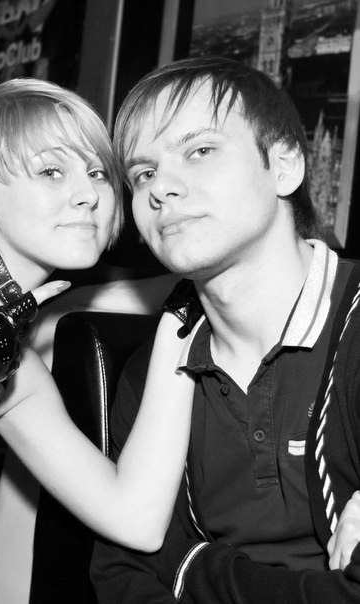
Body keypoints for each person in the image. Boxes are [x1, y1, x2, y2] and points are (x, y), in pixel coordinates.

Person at [0, 78, 195, 601]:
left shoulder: (13, 368)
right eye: (51, 171)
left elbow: (135, 518)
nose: (89, 194)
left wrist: (187, 314)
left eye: (98, 174)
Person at [90, 55, 360, 603]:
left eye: (200, 151)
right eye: (143, 174)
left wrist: (188, 569)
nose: (162, 188)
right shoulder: (151, 378)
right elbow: (120, 577)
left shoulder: (352, 327)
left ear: (285, 166)